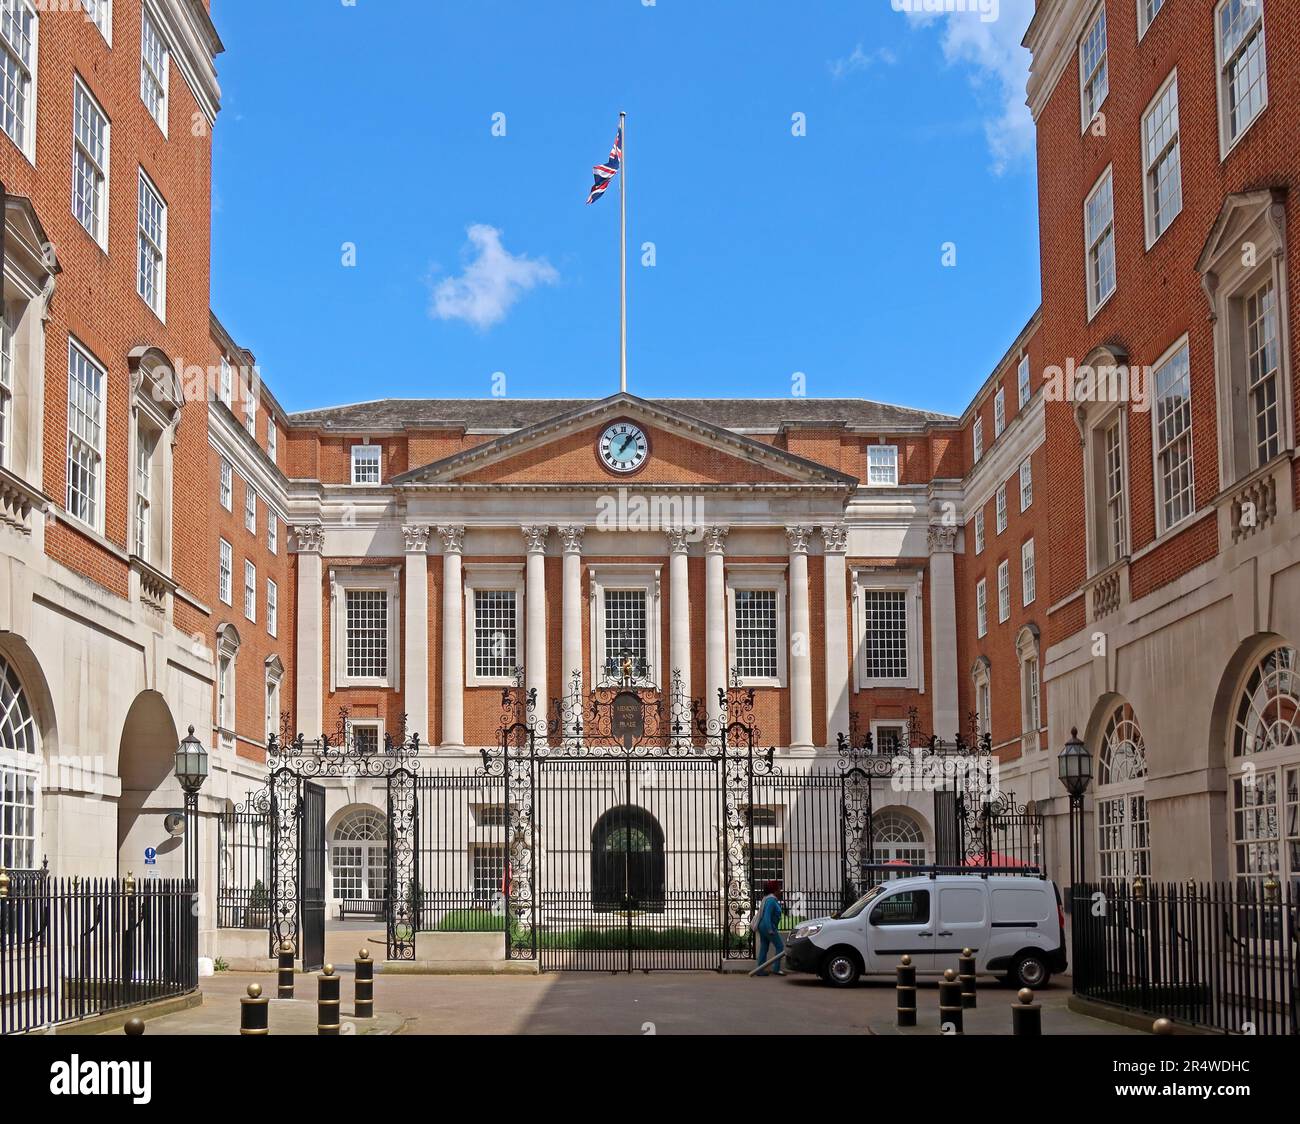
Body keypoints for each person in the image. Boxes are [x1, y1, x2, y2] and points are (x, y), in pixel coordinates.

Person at [753, 880, 785, 976]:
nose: (780, 890)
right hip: (768, 927)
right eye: (779, 888)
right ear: (774, 890)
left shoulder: (768, 899)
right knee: (780, 946)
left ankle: (760, 970)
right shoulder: (771, 900)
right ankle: (776, 969)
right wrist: (770, 929)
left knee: (764, 947)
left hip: (763, 926)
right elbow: (767, 916)